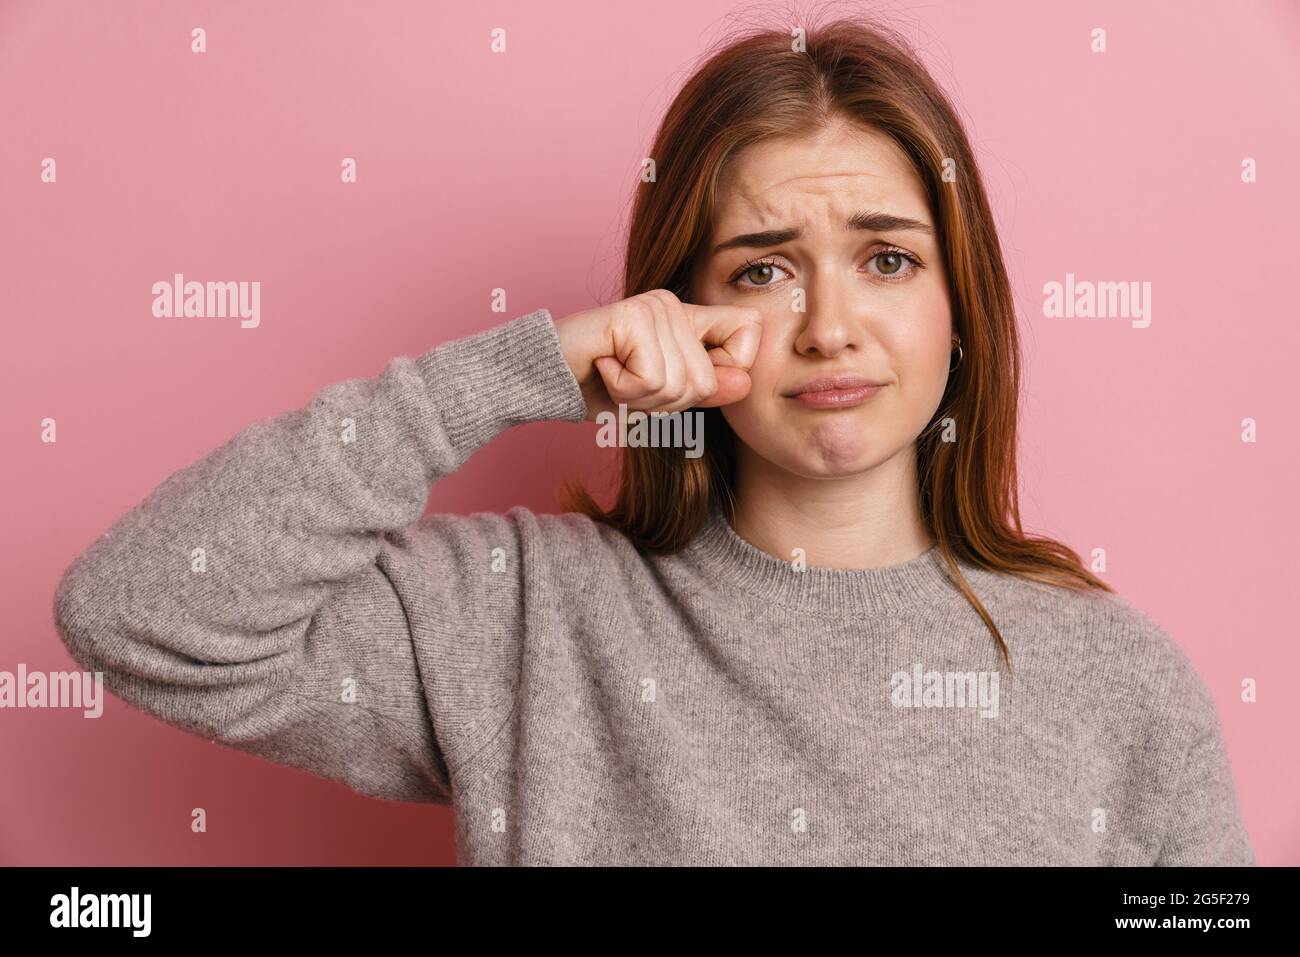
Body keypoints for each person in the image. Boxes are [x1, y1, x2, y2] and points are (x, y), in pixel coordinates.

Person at [52, 17, 1253, 866]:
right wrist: (507, 376)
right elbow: (136, 609)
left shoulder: (1118, 685)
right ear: (674, 313)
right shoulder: (517, 617)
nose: (828, 328)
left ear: (959, 307)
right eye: (763, 269)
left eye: (886, 259)